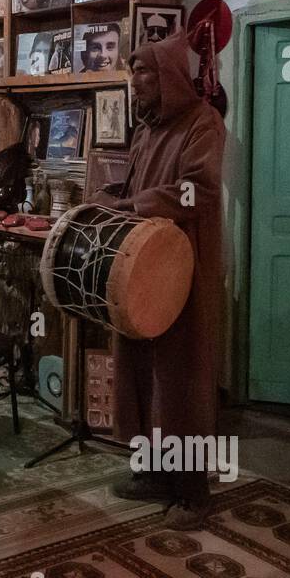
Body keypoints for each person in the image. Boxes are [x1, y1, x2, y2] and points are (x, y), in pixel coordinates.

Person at [90, 32, 225, 529]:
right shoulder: (147, 129)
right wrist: (108, 195)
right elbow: (133, 184)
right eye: (131, 72)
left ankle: (192, 492)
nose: (134, 82)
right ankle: (151, 471)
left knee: (181, 375)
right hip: (140, 266)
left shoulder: (203, 123)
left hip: (182, 266)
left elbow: (199, 191)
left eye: (144, 71)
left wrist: (130, 206)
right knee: (140, 368)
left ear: (169, 75)